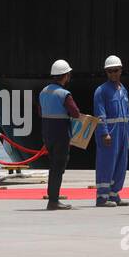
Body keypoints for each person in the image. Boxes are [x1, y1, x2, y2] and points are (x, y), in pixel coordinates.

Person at [39, 60, 82, 211]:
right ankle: (53, 201)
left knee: (53, 166)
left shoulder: (43, 91)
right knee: (59, 167)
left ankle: (53, 198)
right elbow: (75, 113)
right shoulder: (64, 94)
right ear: (65, 76)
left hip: (47, 132)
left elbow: (40, 111)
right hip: (61, 133)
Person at [92, 55, 129, 207]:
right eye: (110, 71)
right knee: (106, 162)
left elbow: (128, 113)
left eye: (115, 70)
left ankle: (114, 193)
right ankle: (102, 197)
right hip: (110, 131)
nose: (113, 74)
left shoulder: (123, 90)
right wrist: (104, 132)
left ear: (121, 70)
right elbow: (100, 113)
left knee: (121, 163)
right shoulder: (101, 91)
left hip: (122, 131)